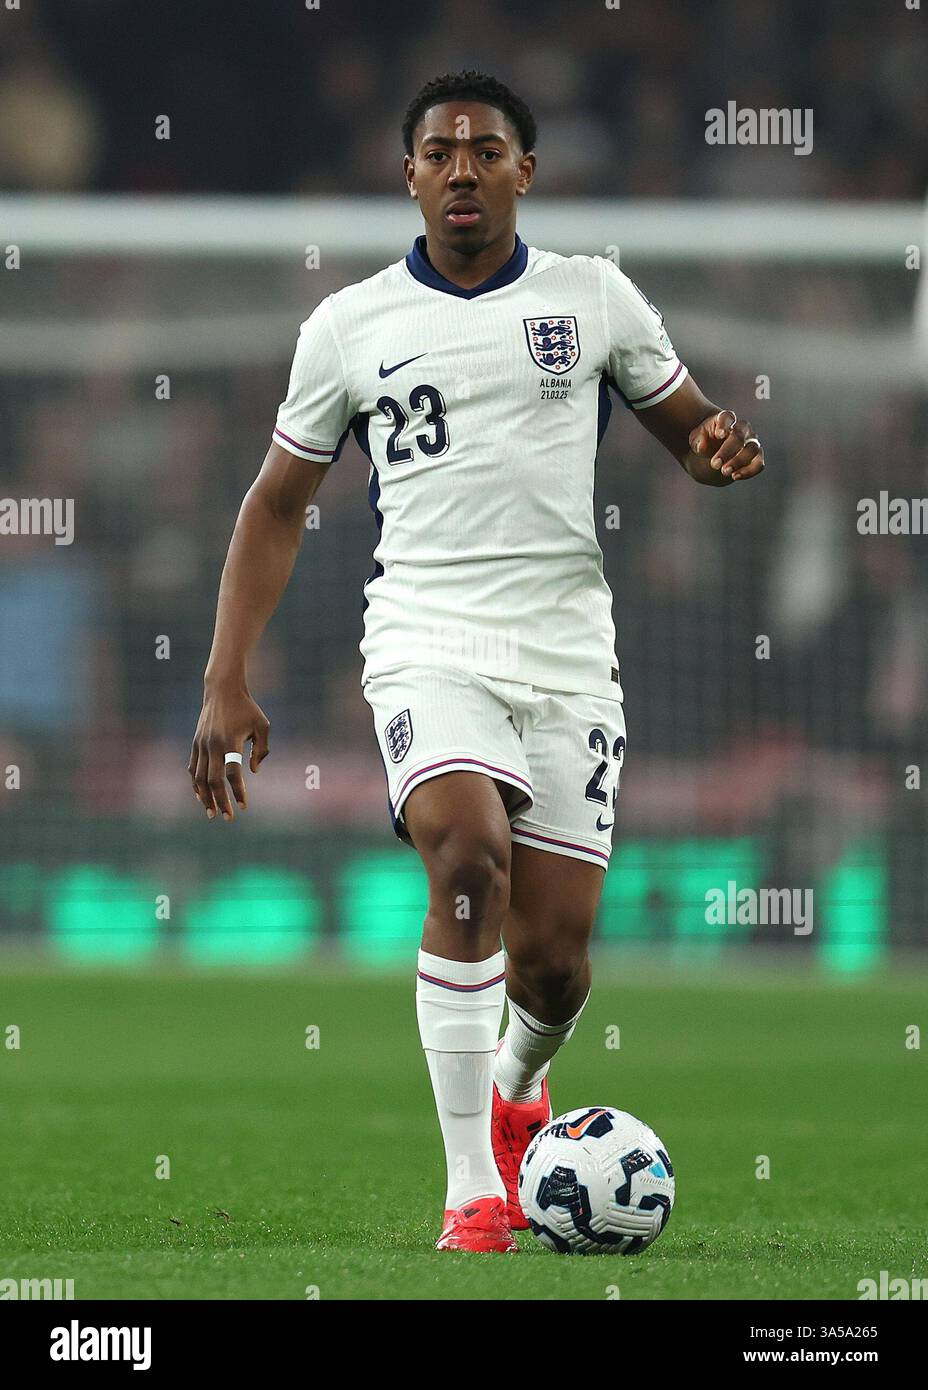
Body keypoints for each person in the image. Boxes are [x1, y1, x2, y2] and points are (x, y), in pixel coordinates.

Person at [189, 70, 765, 1253]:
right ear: (409, 175)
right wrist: (223, 677)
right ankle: (472, 1192)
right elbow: (275, 504)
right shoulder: (348, 326)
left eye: (486, 150)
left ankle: (517, 1085)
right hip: (425, 641)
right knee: (465, 860)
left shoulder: (592, 298)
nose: (463, 168)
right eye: (440, 151)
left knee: (552, 966)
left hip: (567, 657)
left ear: (524, 172)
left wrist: (712, 451)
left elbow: (690, 430)